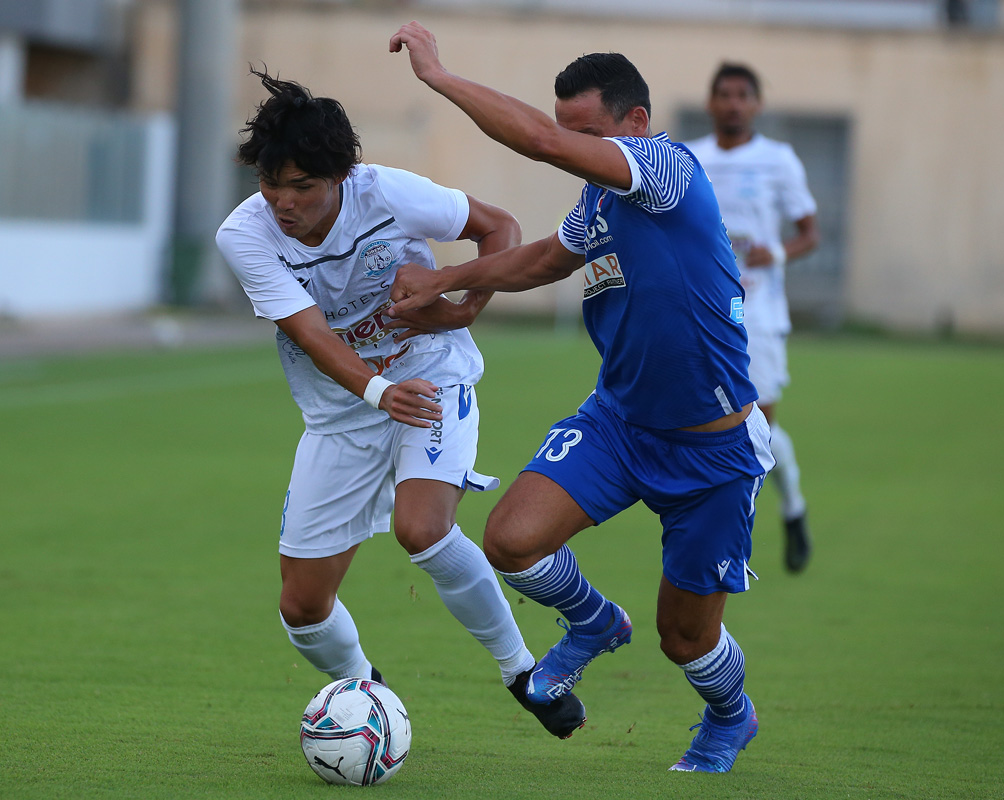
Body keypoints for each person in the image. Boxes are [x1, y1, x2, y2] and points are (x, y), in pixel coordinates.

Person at [388, 23, 775, 773]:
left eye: (587, 134)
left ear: (636, 123)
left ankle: (731, 714)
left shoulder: (665, 169)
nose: (573, 148)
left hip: (714, 447)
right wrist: (443, 280)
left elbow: (538, 141)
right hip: (620, 425)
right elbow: (542, 262)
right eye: (568, 131)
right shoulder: (600, 205)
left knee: (685, 638)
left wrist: (440, 78)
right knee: (510, 538)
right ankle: (594, 622)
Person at [213, 69, 586, 740]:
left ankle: (523, 671)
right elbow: (312, 334)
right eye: (272, 184)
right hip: (341, 413)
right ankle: (370, 694)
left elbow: (498, 228)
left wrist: (465, 306)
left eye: (303, 187)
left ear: (340, 178)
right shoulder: (244, 235)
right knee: (301, 607)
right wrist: (379, 393)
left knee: (423, 529)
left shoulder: (385, 193)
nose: (283, 202)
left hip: (430, 375)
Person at [686, 63, 820, 573]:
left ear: (757, 104)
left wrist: (778, 254)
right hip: (705, 309)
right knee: (709, 423)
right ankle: (720, 533)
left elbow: (810, 232)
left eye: (743, 95)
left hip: (755, 308)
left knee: (758, 424)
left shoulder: (778, 160)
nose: (733, 103)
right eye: (724, 94)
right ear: (711, 101)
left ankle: (788, 507)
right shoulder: (690, 158)